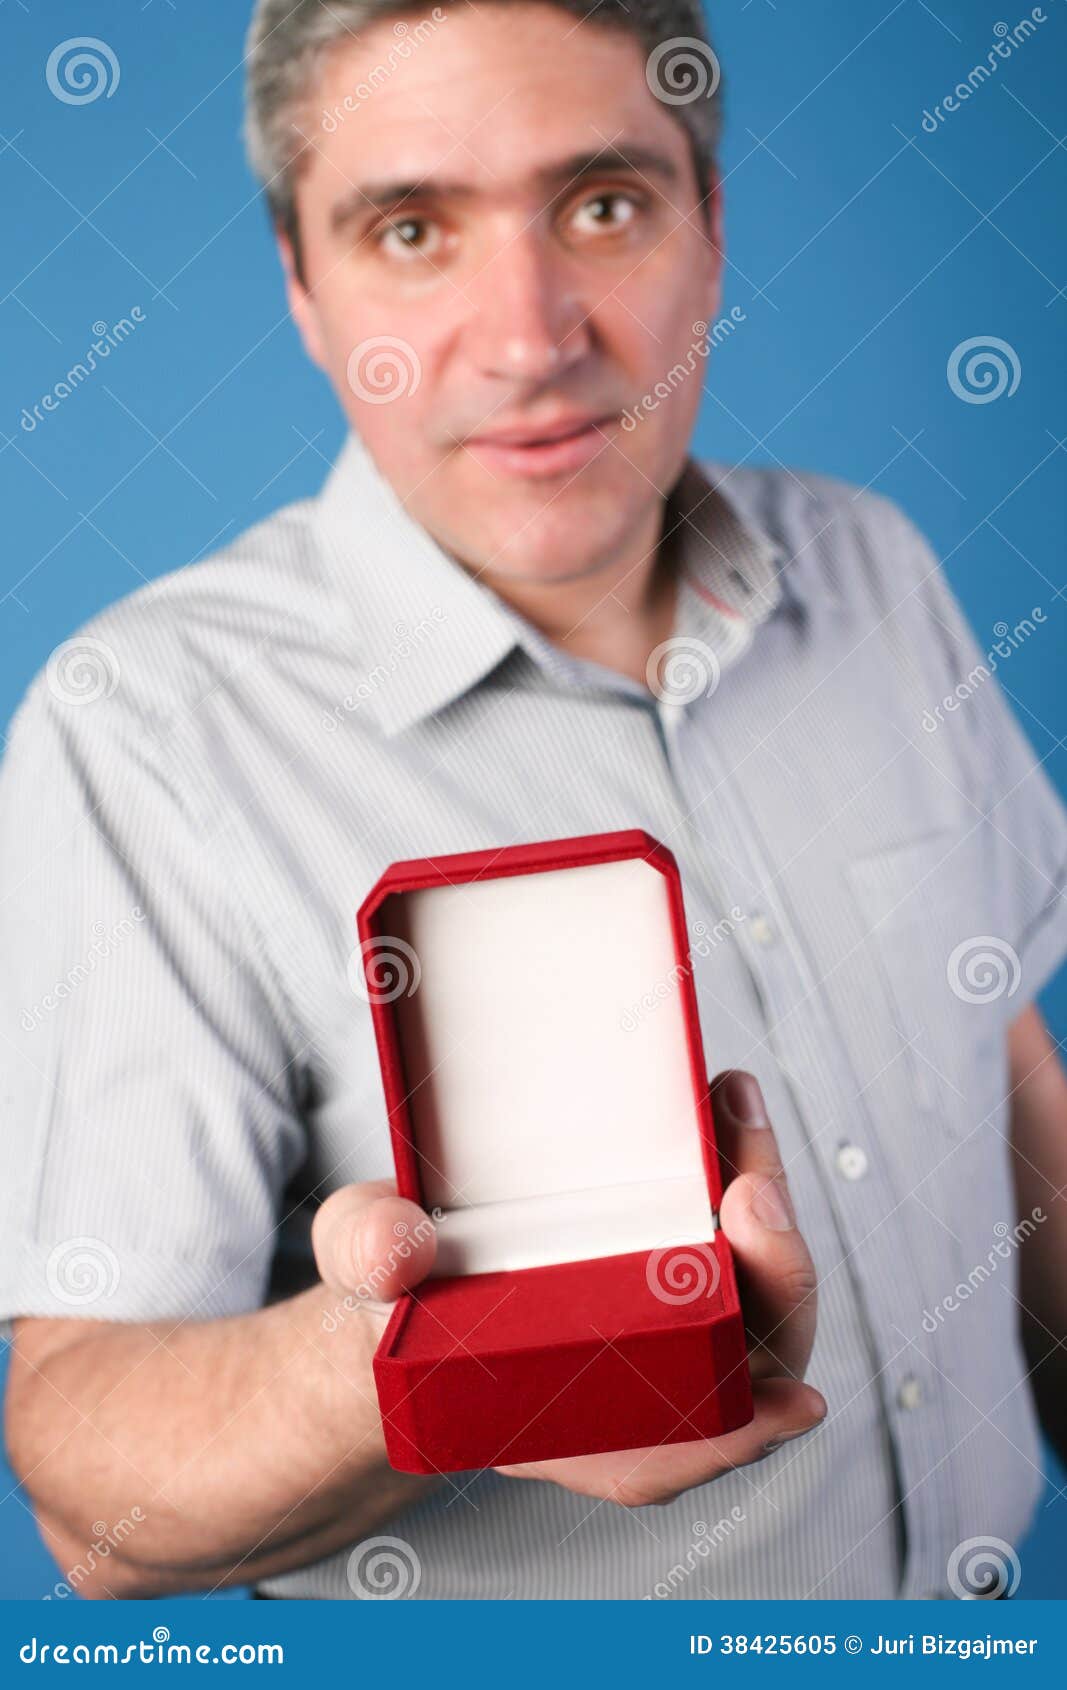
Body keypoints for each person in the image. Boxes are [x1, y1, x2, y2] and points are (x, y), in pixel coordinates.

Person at [2, 0, 1066, 1602]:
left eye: (604, 204)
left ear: (711, 227)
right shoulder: (143, 731)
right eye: (413, 228)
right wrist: (425, 1355)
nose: (528, 334)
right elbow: (94, 1496)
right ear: (302, 283)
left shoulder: (877, 569)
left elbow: (1002, 1069)